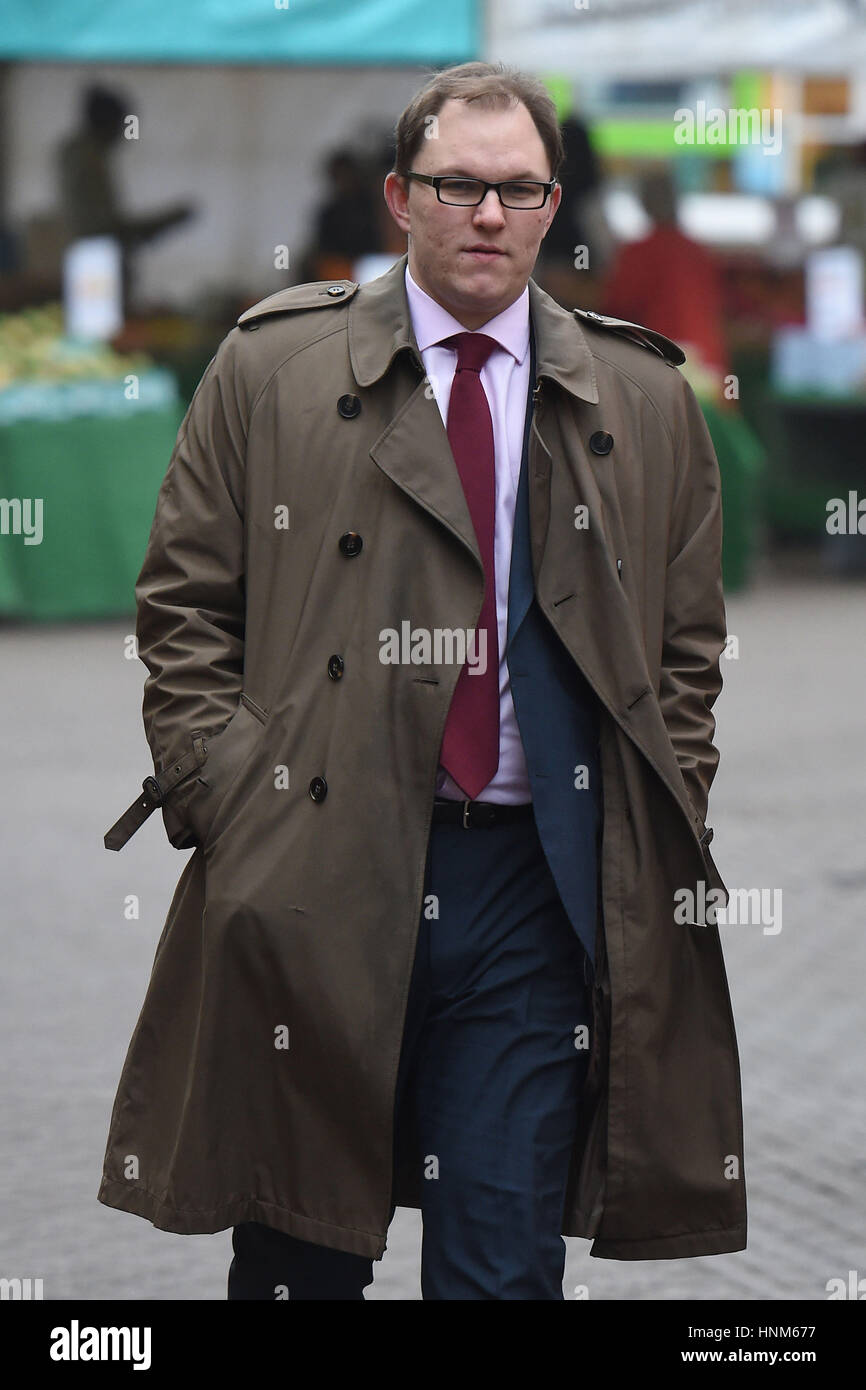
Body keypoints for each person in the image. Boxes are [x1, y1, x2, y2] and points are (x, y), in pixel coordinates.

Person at [99, 61, 745, 1301]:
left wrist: (653, 817)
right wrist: (228, 798)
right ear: (401, 195)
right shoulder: (273, 369)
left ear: (554, 206)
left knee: (499, 1268)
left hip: (530, 888)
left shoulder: (645, 398)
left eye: (516, 190)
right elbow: (184, 603)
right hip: (316, 868)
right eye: (457, 185)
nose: (487, 215)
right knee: (297, 1253)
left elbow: (685, 649)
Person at [57, 85, 196, 308]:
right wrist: (166, 221)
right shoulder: (87, 160)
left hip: (92, 261)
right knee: (100, 335)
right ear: (109, 123)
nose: (124, 131)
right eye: (121, 123)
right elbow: (103, 227)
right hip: (96, 264)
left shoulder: (78, 154)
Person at [601, 167, 729, 380]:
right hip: (708, 365)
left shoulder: (637, 253)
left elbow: (615, 307)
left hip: (663, 363)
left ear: (644, 203)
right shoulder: (698, 252)